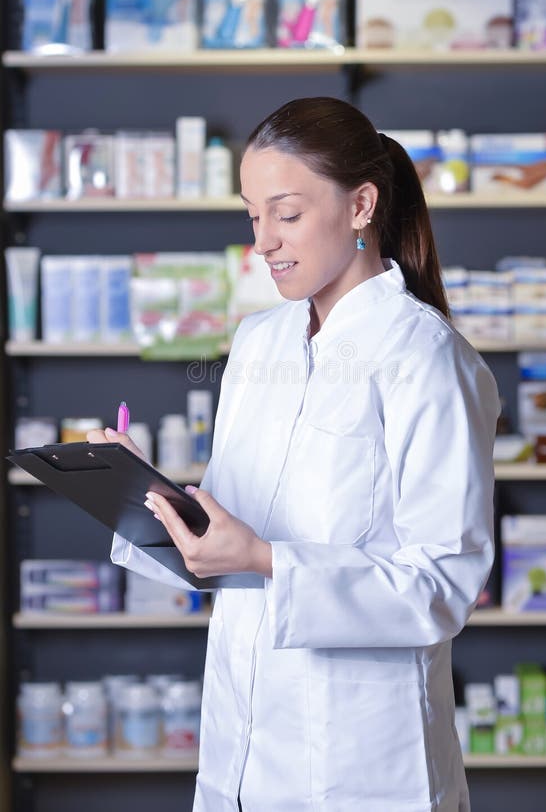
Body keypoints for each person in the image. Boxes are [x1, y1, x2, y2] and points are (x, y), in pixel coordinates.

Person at [90, 97, 500, 811]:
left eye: (286, 213)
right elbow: (224, 539)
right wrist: (144, 495)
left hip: (367, 767)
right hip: (244, 755)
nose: (264, 241)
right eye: (252, 214)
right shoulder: (259, 343)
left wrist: (265, 559)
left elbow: (443, 584)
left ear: (361, 205)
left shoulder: (426, 356)